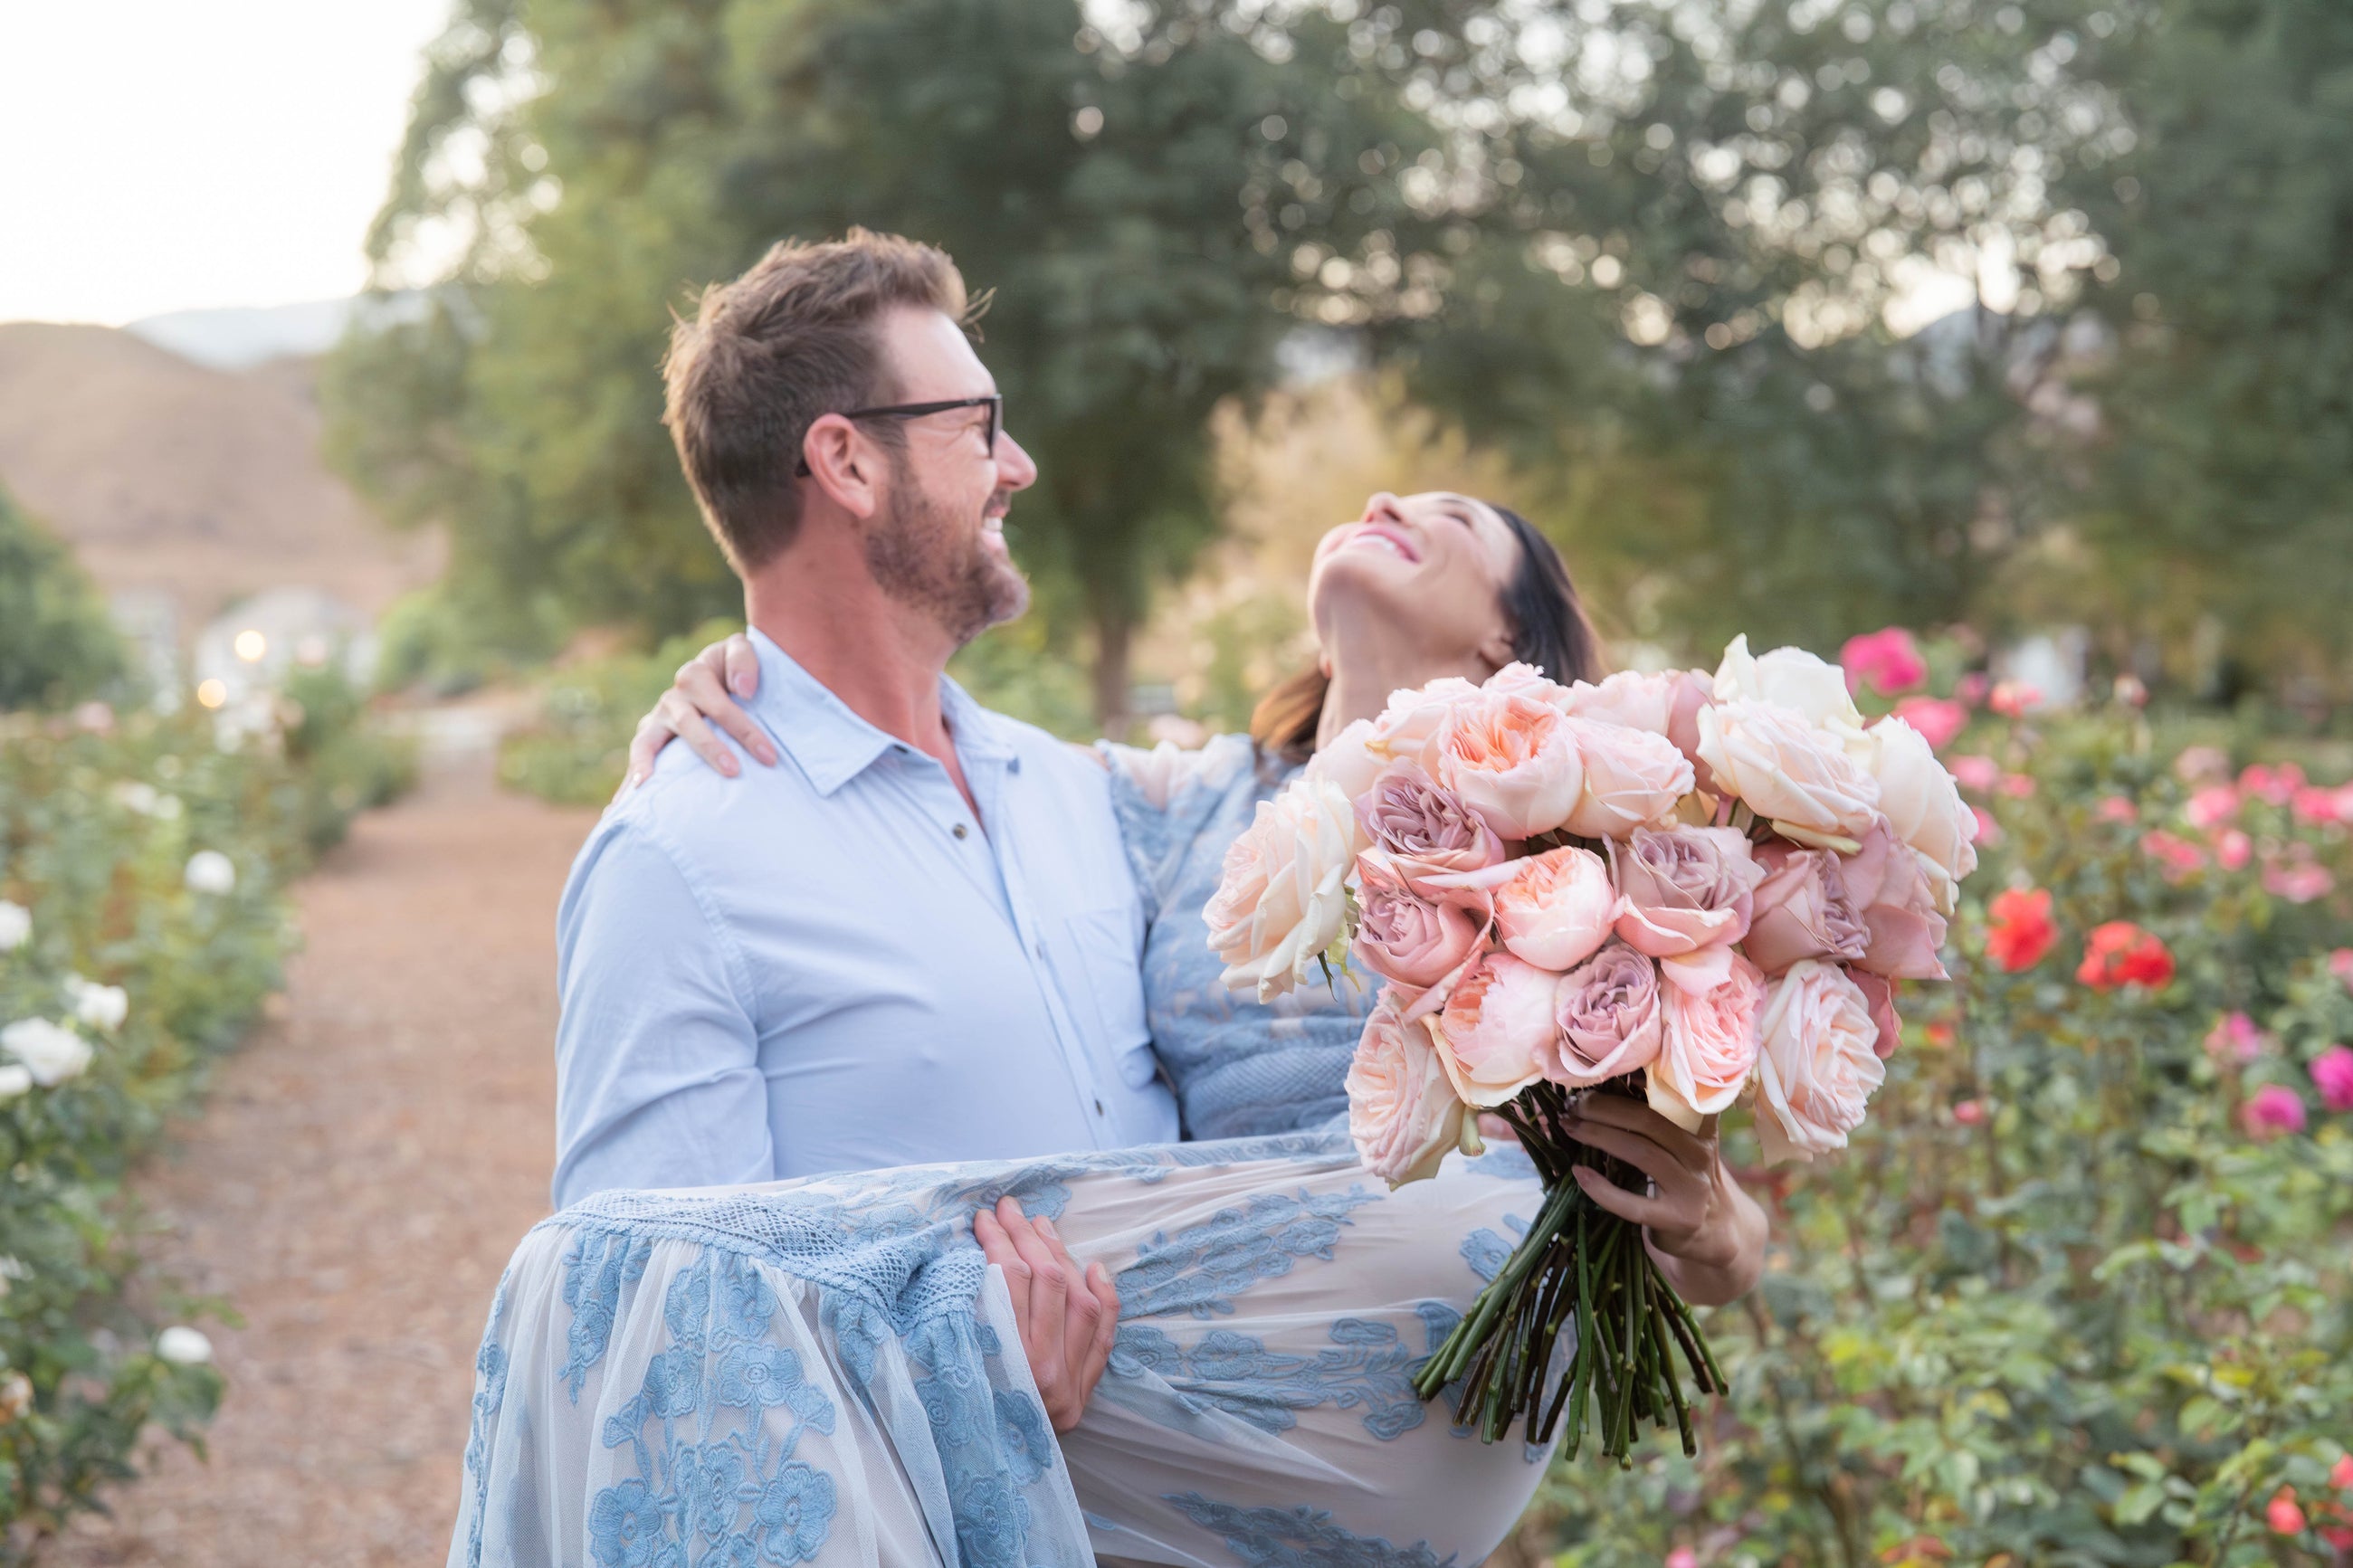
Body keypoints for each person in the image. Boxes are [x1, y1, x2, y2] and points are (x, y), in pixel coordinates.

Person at [453, 231, 1765, 1568]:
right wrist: (961, 1368)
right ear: (847, 463)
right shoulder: (681, 858)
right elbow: (646, 1350)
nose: (1019, 464)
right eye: (980, 426)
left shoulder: (1088, 798)